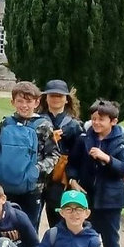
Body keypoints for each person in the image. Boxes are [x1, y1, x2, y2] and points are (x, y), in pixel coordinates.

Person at [66, 99, 124, 247]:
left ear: (113, 121)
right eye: (93, 118)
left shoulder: (121, 142)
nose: (95, 123)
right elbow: (73, 164)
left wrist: (107, 158)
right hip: (87, 197)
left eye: (100, 119)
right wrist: (73, 180)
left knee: (111, 241)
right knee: (85, 238)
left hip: (111, 199)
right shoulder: (84, 138)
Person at [0, 81, 58, 233]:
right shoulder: (6, 123)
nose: (24, 105)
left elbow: (54, 154)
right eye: (20, 101)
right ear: (12, 102)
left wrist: (37, 170)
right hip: (5, 187)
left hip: (32, 189)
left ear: (37, 102)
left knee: (29, 230)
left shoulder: (44, 126)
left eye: (29, 101)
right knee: (4, 226)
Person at [38, 79, 83, 230]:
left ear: (66, 99)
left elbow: (78, 155)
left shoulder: (75, 125)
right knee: (32, 220)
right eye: (52, 95)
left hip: (59, 178)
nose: (56, 98)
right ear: (46, 98)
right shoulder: (37, 120)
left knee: (57, 220)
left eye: (60, 95)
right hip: (38, 174)